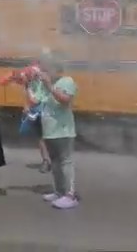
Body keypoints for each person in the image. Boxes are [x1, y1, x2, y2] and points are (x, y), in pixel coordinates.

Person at [31, 52, 80, 209]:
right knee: (56, 163)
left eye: (46, 66)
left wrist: (49, 86)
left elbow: (65, 101)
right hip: (50, 132)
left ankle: (70, 195)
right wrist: (27, 84)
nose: (43, 69)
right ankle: (59, 191)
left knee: (66, 162)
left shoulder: (67, 81)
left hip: (63, 131)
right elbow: (35, 101)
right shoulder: (45, 84)